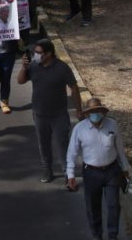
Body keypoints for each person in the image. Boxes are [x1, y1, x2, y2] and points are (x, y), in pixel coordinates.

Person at [66, 98, 132, 240]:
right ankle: (97, 236)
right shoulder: (79, 129)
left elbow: (120, 148)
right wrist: (70, 175)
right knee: (92, 206)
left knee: (113, 205)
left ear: (102, 112)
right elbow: (71, 153)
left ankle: (113, 237)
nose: (95, 114)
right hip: (91, 172)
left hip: (112, 171)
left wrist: (125, 167)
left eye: (97, 111)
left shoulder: (112, 125)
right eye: (92, 112)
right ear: (87, 114)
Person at [18, 38, 83, 183]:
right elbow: (20, 81)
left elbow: (74, 88)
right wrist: (23, 67)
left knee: (63, 145)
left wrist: (79, 110)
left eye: (39, 52)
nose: (36, 55)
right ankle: (47, 170)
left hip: (59, 115)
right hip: (39, 115)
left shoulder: (62, 68)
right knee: (44, 145)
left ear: (49, 53)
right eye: (35, 52)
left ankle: (68, 174)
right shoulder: (33, 66)